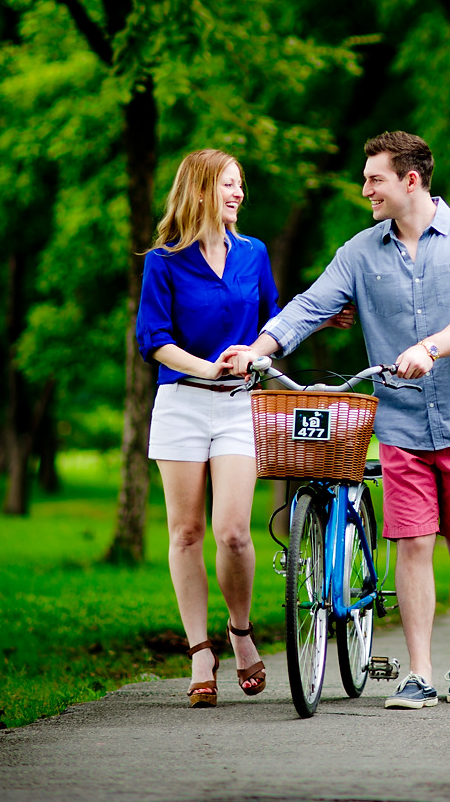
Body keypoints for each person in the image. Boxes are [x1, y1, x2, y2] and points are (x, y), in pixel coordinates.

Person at [225, 130, 450, 711]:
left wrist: (430, 348)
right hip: (399, 421)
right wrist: (261, 348)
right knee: (412, 543)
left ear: (410, 180)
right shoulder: (359, 252)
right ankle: (420, 671)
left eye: (374, 178)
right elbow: (308, 306)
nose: (365, 189)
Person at [136, 147, 276, 708]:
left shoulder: (254, 253)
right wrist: (207, 365)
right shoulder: (164, 260)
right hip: (182, 402)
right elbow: (154, 339)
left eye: (240, 185)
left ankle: (239, 631)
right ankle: (199, 650)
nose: (238, 194)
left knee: (234, 531)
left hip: (239, 405)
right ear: (199, 191)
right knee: (186, 532)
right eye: (228, 185)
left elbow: (273, 318)